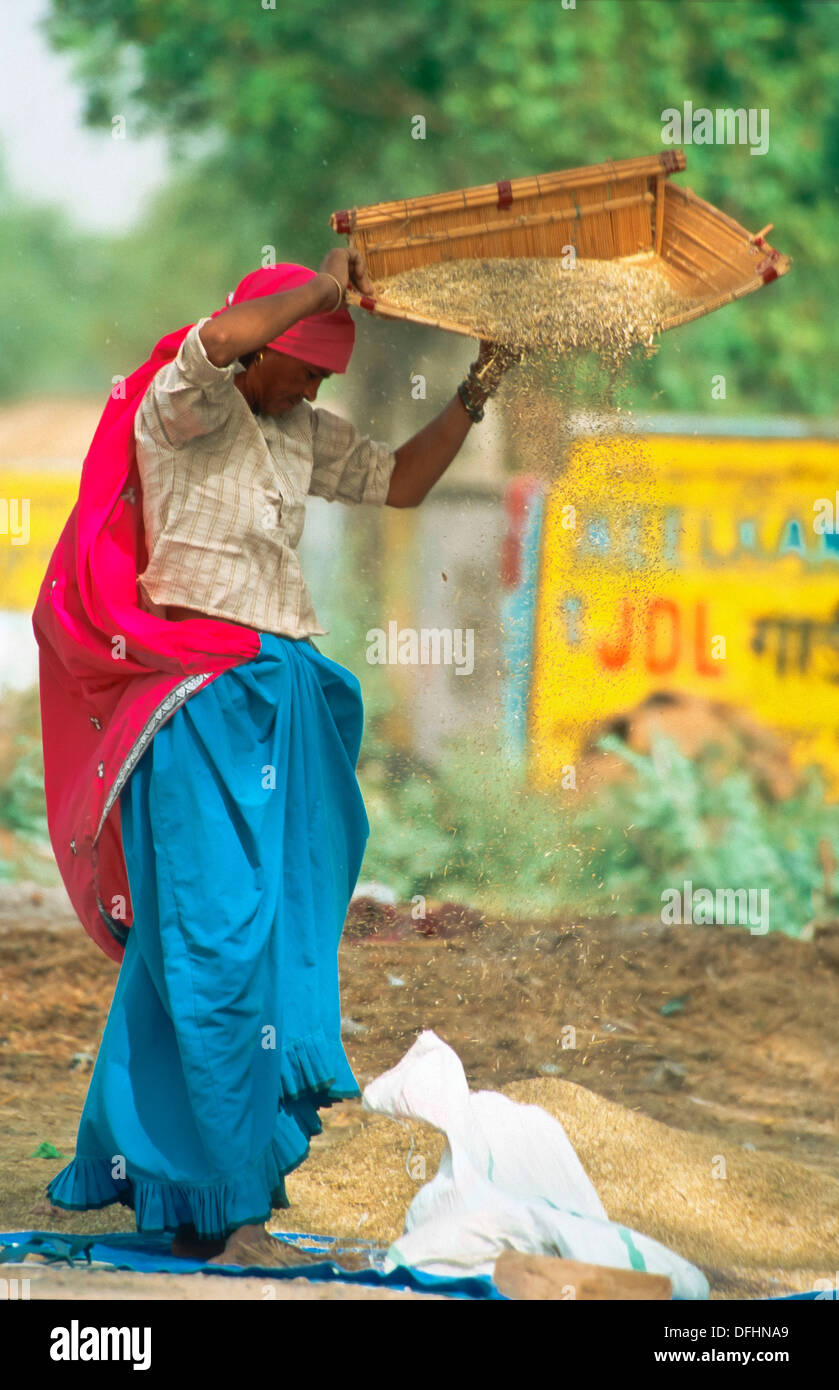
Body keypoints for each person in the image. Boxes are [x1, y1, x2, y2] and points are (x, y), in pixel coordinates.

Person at [34, 247, 518, 1268]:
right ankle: (237, 1213)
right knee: (214, 950)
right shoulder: (184, 403)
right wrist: (324, 287)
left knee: (258, 946)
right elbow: (218, 339)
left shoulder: (296, 431)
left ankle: (178, 1188)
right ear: (268, 348)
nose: (312, 387)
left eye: (323, 377)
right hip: (203, 704)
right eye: (302, 367)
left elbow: (399, 481)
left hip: (279, 699)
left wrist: (478, 387)